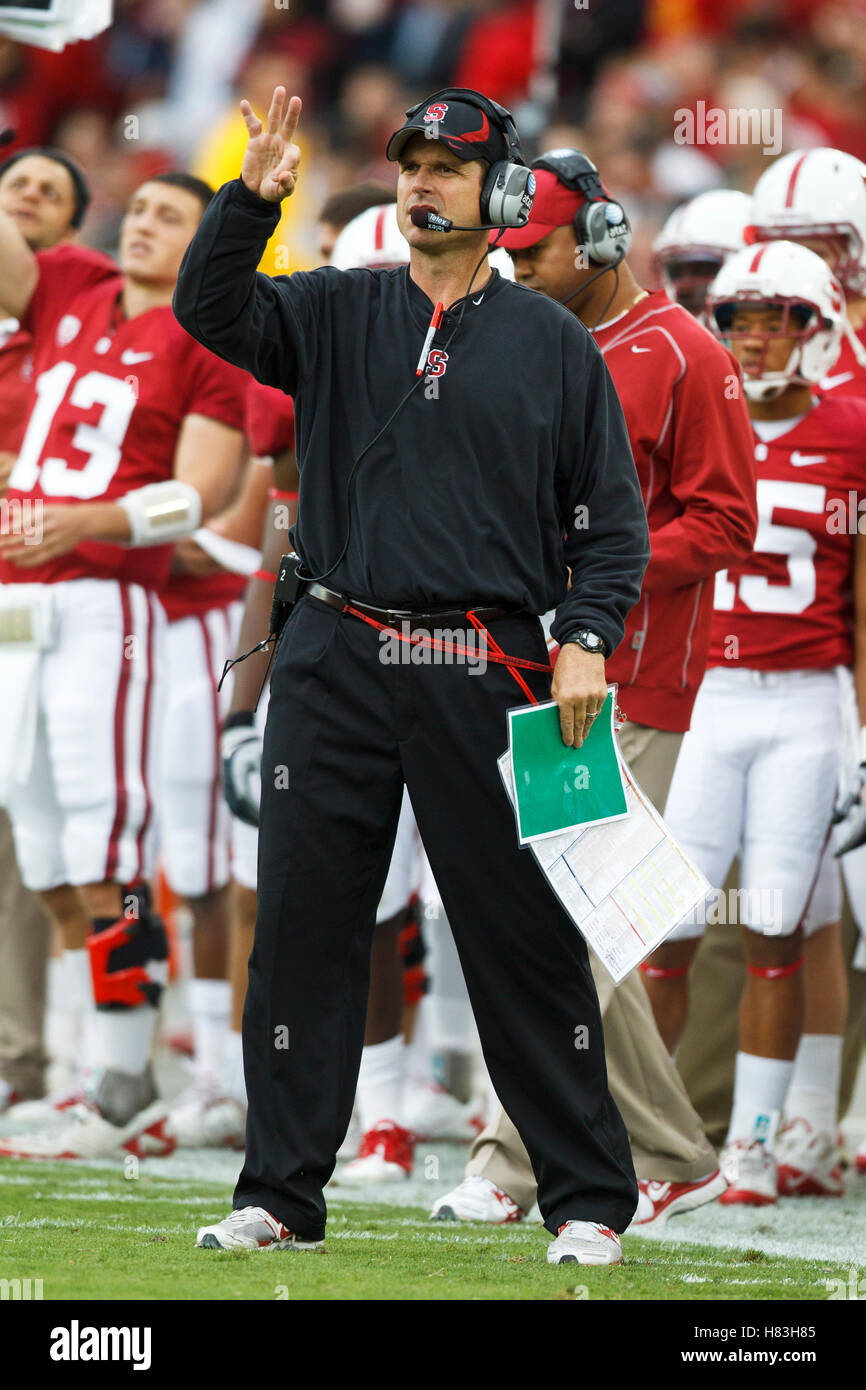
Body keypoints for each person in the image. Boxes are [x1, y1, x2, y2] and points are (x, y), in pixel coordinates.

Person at [175, 85, 650, 1265]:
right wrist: (249, 198)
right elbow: (210, 309)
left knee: (518, 931)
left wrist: (585, 633)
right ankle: (281, 1192)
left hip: (481, 655)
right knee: (299, 925)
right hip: (333, 649)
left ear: (498, 195)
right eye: (409, 163)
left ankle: (585, 1198)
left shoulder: (552, 342)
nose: (419, 181)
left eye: (448, 166)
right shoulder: (333, 309)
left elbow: (610, 526)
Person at [430, 151, 757, 1230]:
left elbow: (722, 522)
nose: (511, 266)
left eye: (531, 250)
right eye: (503, 249)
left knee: (583, 916)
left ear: (604, 242)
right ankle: (530, 1155)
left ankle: (633, 1148)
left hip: (632, 674)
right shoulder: (515, 334)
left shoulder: (684, 350)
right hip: (527, 666)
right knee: (549, 913)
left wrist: (590, 575)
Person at [0, 171, 248, 1159]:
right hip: (20, 603)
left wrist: (90, 520)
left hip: (109, 601)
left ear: (203, 245)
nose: (144, 223)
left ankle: (122, 1081)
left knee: (111, 845)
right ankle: (102, 1064)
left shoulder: (209, 336)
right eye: (139, 208)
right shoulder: (71, 285)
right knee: (43, 842)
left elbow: (197, 495)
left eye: (171, 217)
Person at [644, 241, 866, 1204]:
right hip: (705, 698)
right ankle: (650, 1138)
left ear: (819, 331)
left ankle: (755, 1146)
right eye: (739, 320)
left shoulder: (855, 431)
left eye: (779, 319)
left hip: (810, 696)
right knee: (669, 926)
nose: (756, 339)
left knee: (777, 921)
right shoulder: (696, 412)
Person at [0, 147, 89, 1114]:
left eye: (49, 188)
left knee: (35, 839)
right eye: (15, 178)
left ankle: (28, 1058)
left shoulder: (71, 330)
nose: (27, 194)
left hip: (43, 600)